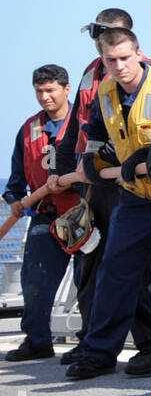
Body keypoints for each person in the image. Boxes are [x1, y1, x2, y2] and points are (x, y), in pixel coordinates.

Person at [57, 27, 151, 379]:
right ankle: (99, 353)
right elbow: (94, 135)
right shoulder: (104, 91)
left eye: (125, 58)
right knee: (115, 272)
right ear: (102, 60)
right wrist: (92, 160)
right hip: (134, 195)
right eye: (111, 60)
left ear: (139, 53)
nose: (119, 66)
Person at [3, 65, 81, 361]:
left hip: (83, 215)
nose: (44, 97)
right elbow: (16, 179)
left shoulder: (85, 122)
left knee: (90, 283)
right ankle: (37, 341)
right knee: (35, 281)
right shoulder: (28, 129)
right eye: (39, 91)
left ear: (66, 89)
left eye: (50, 90)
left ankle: (90, 343)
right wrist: (13, 198)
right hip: (44, 217)